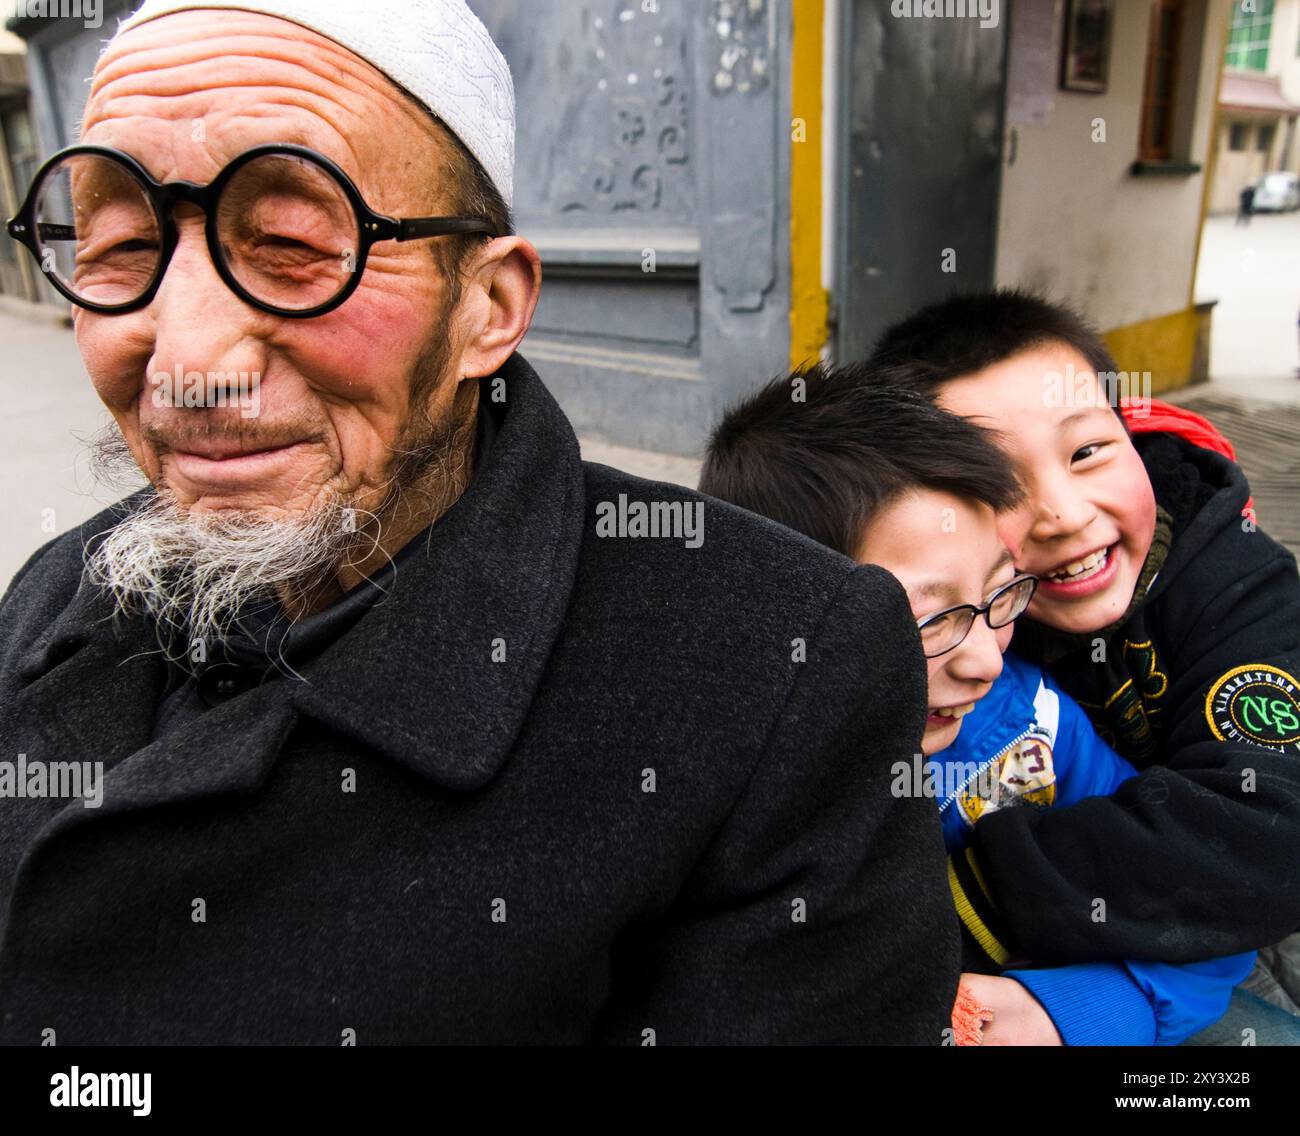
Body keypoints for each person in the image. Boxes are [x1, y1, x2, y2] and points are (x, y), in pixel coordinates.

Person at [0, 0, 959, 1044]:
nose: (185, 362)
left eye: (287, 243)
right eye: (118, 245)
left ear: (487, 306)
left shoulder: (781, 668)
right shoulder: (63, 587)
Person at [700, 363, 1255, 1045]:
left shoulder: (1031, 724)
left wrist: (1064, 1014)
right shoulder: (718, 795)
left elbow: (1210, 931)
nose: (987, 660)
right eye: (927, 622)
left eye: (1002, 592)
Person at [867, 289, 1300, 1041]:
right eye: (995, 486)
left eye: (1087, 451)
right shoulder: (953, 624)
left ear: (1131, 435)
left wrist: (970, 896)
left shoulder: (1237, 586)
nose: (1062, 513)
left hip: (1227, 935)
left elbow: (1270, 832)